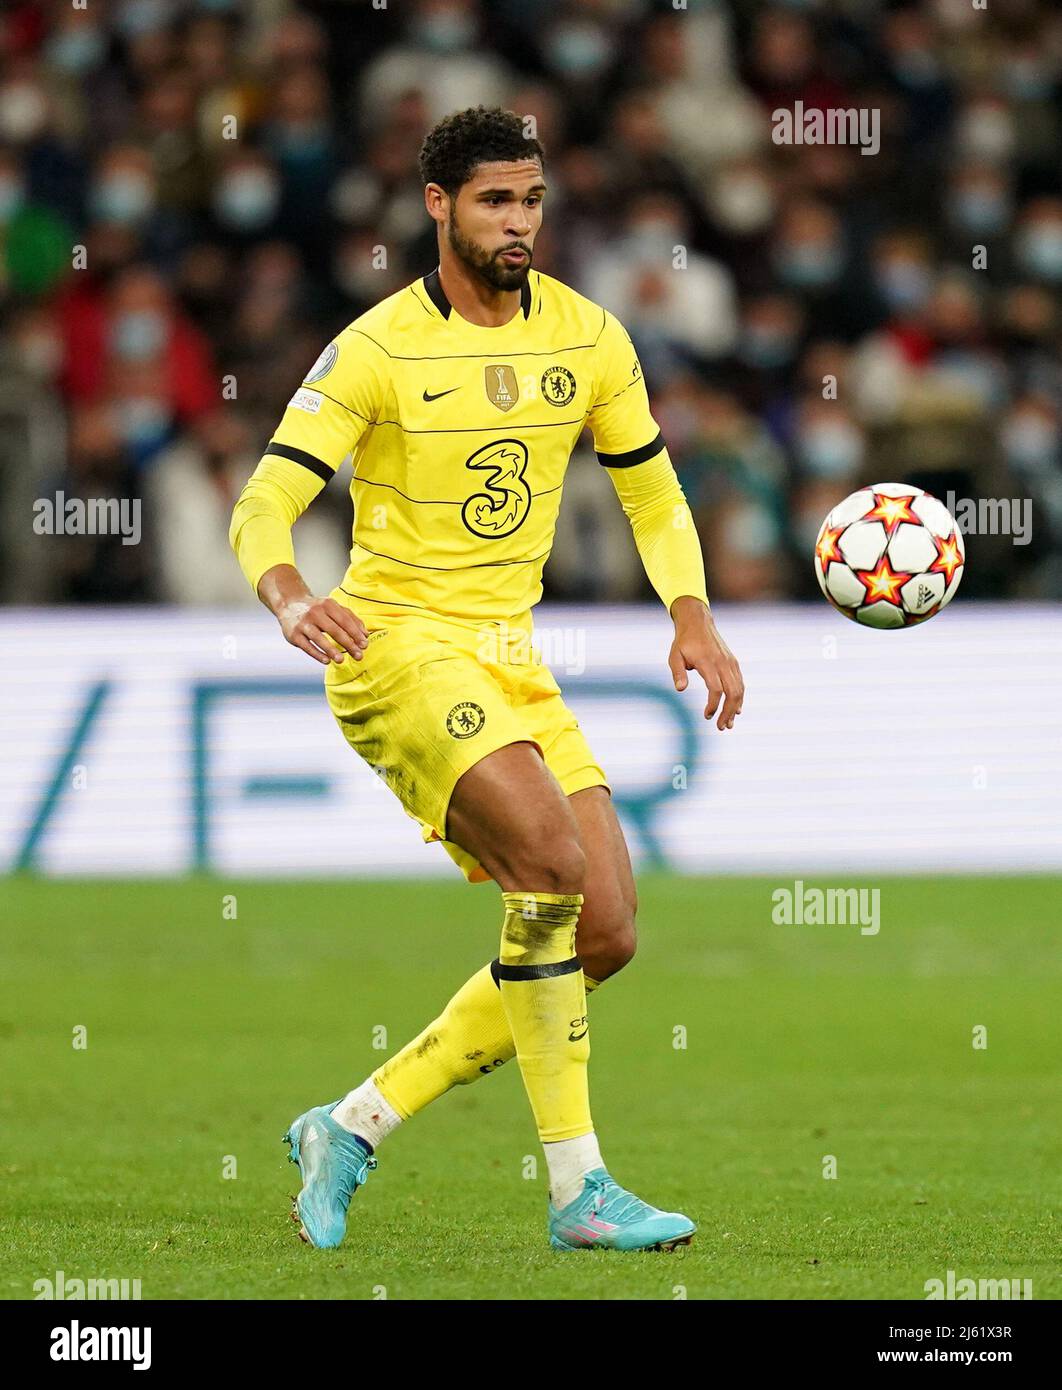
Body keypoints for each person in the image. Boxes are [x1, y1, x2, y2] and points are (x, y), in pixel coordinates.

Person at [229, 106, 745, 1253]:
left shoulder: (590, 336)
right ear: (438, 207)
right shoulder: (375, 349)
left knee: (604, 930)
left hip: (513, 656)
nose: (520, 223)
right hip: (395, 647)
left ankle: (352, 1122)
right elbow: (264, 501)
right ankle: (579, 1192)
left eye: (533, 200)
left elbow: (653, 492)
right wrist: (289, 596)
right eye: (496, 201)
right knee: (552, 870)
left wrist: (693, 616)